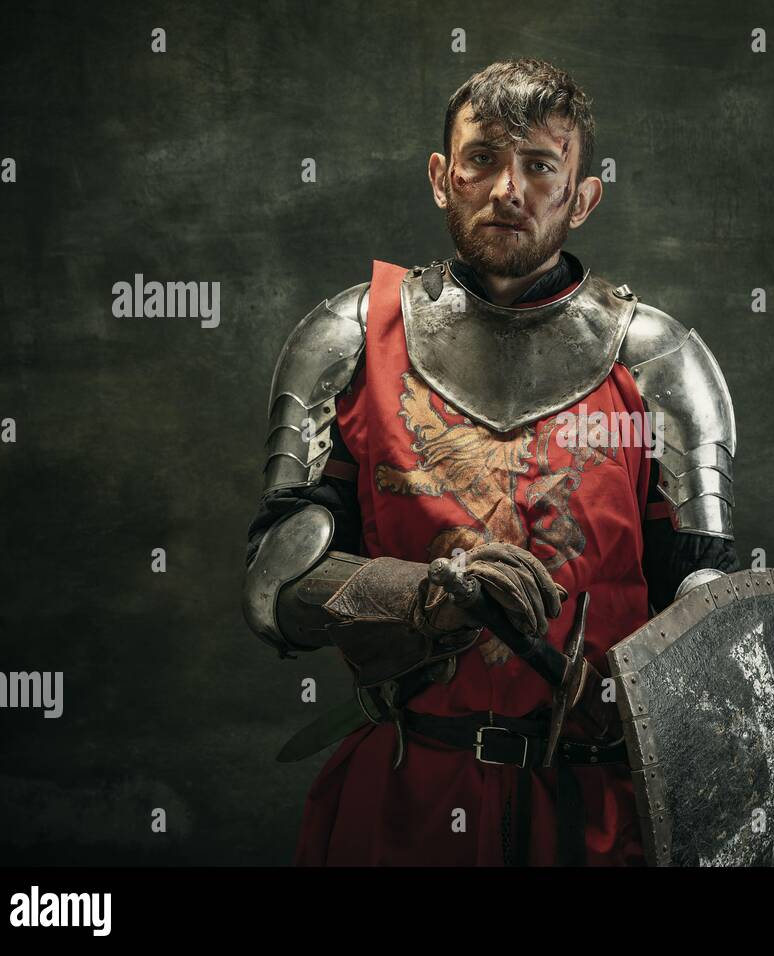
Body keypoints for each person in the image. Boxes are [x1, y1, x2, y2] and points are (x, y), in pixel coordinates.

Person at [241, 58, 738, 865]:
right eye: (481, 160)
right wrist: (420, 597)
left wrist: (643, 697)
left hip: (596, 816)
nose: (508, 188)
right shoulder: (352, 339)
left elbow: (708, 603)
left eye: (540, 164)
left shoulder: (656, 363)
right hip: (406, 799)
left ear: (581, 196)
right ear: (443, 177)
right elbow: (273, 587)